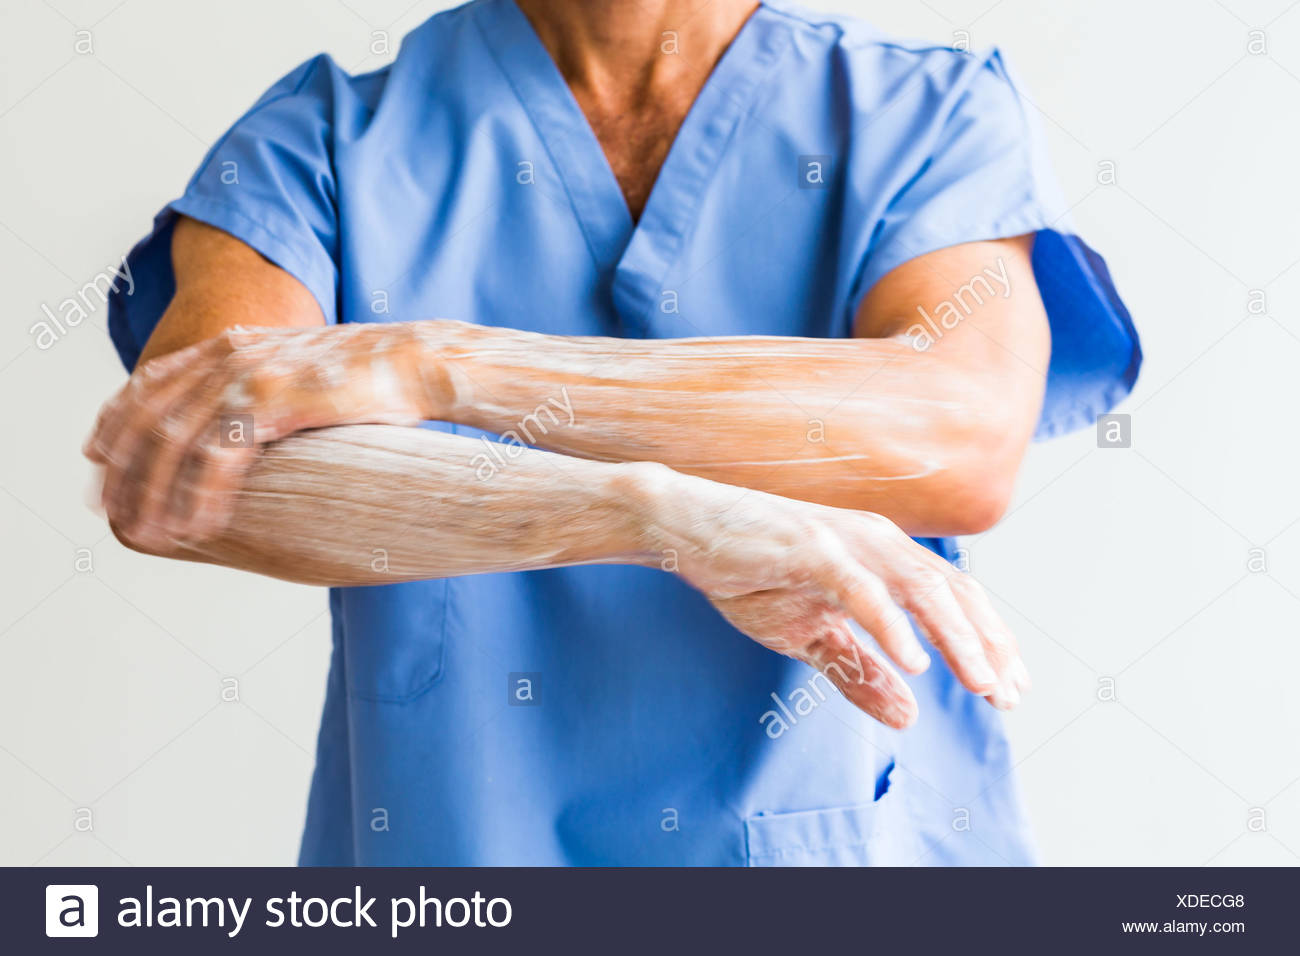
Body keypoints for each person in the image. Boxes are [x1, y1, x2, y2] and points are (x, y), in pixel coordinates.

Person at [84, 0, 1140, 865]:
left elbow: (956, 430)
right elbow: (200, 474)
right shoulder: (318, 144)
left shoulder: (920, 113)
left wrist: (439, 364)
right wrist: (657, 514)